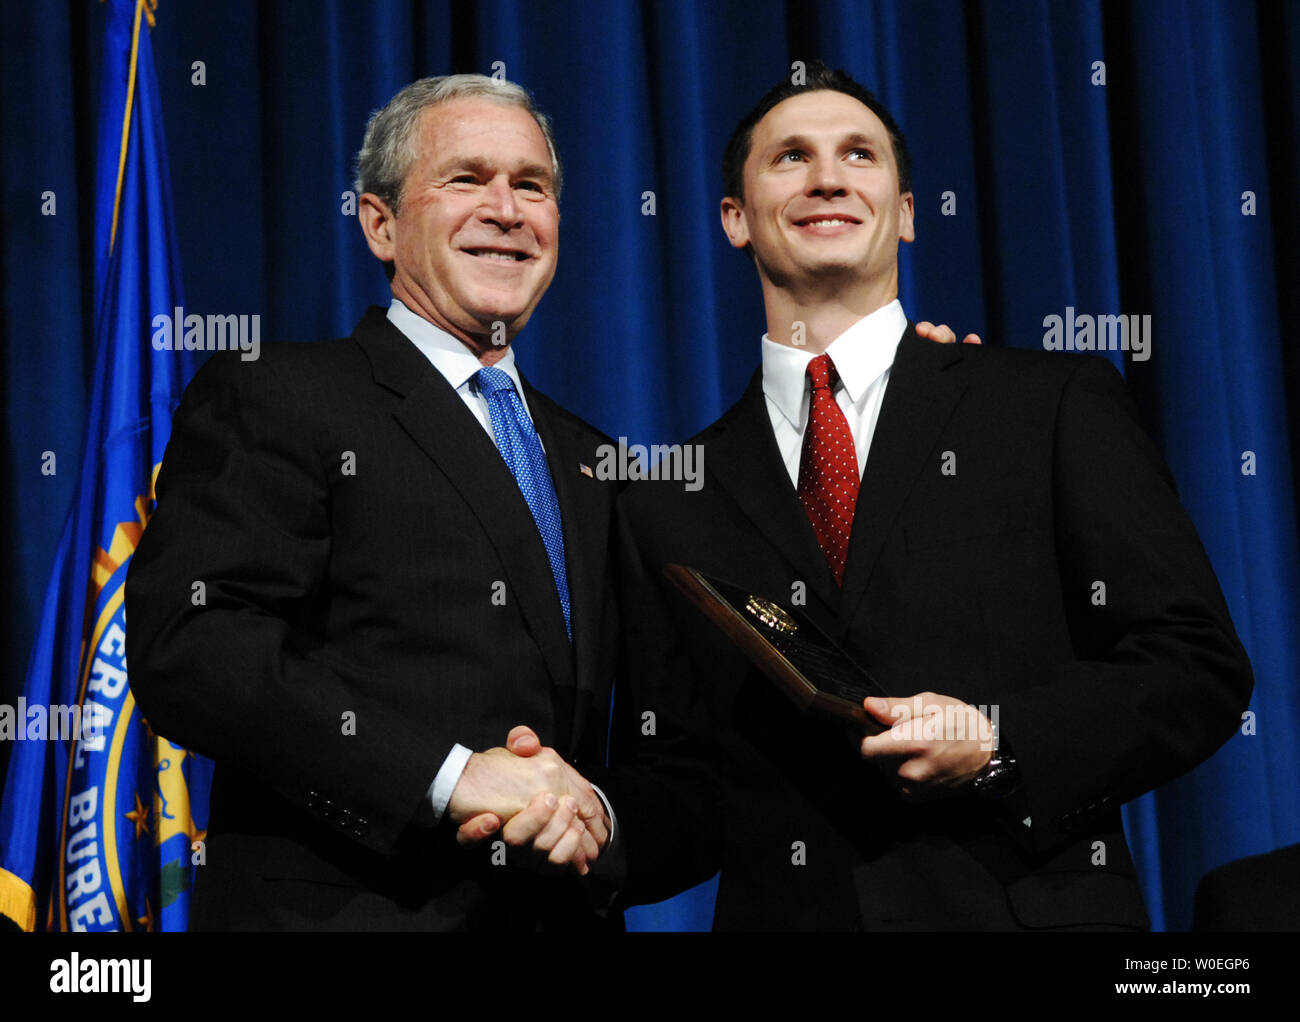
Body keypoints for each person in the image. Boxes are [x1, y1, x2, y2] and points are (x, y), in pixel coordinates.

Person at [599, 62, 1255, 929]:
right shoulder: (671, 496)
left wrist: (998, 739)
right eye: (791, 157)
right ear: (735, 219)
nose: (827, 176)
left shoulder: (1047, 404)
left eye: (859, 155)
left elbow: (1196, 664)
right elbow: (686, 788)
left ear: (907, 213)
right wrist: (585, 820)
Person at [126, 75, 623, 930]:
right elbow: (193, 645)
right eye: (466, 179)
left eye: (531, 185)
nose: (507, 209)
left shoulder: (593, 460)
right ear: (380, 223)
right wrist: (449, 773)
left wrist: (599, 820)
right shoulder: (280, 392)